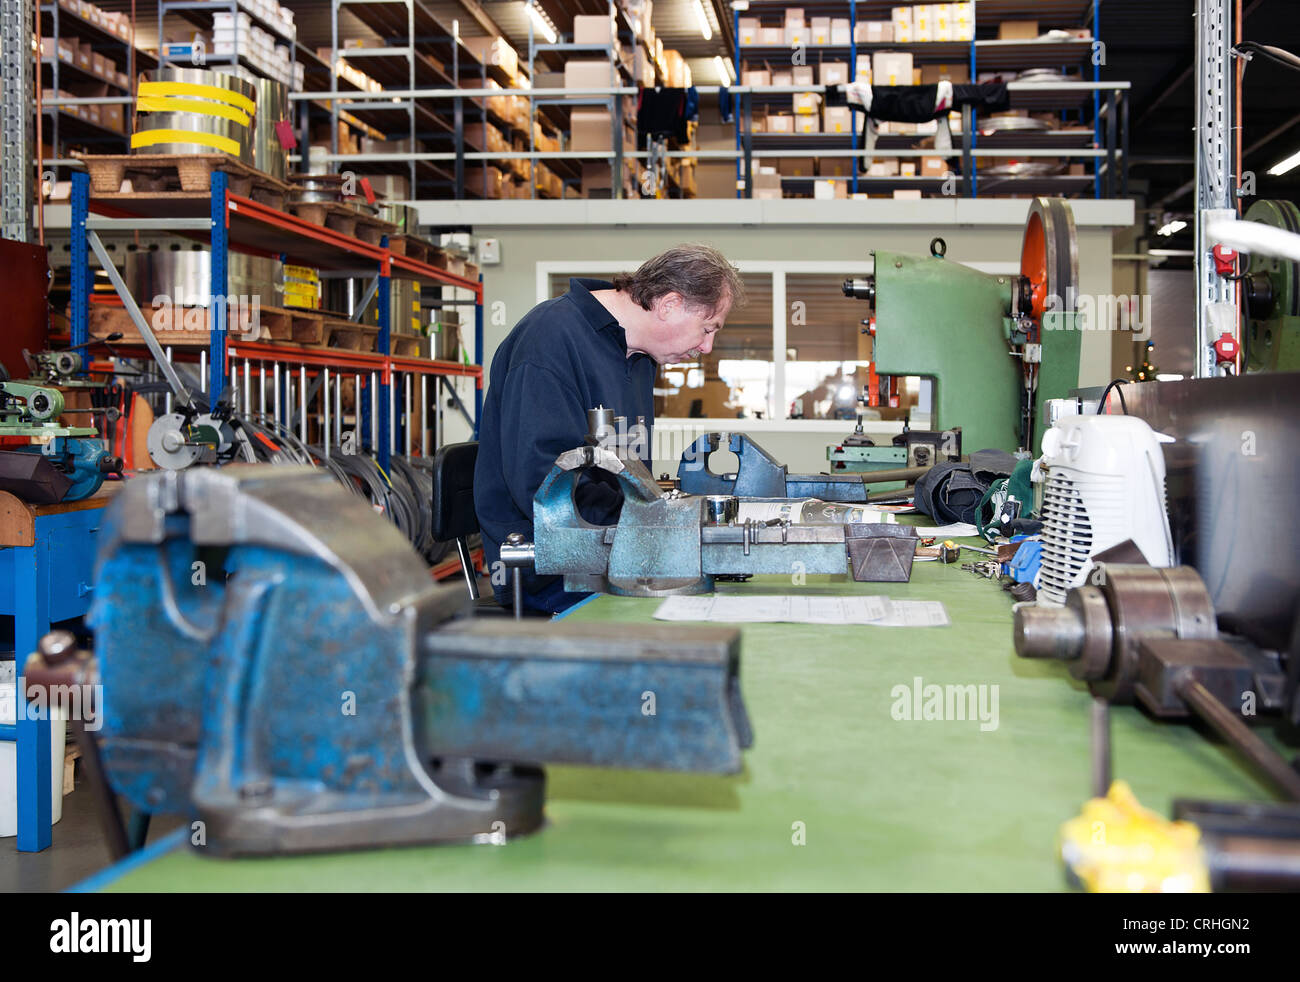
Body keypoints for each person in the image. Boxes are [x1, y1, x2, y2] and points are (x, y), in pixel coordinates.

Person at [474, 244, 744, 613]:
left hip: (617, 550)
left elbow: (623, 476)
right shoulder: (550, 340)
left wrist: (661, 517)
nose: (707, 346)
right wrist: (657, 527)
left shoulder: (638, 357)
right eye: (707, 328)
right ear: (669, 304)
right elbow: (539, 484)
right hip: (550, 569)